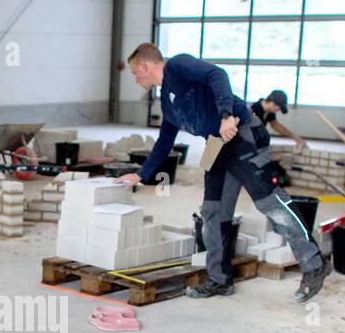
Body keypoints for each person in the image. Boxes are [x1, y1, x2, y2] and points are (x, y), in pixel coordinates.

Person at [120, 44, 330, 303]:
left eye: (134, 72)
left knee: (270, 204)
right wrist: (141, 175)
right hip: (216, 144)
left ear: (144, 66)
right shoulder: (167, 99)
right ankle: (219, 279)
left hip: (241, 134)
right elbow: (165, 140)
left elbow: (217, 75)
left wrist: (226, 115)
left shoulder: (178, 65)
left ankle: (314, 264)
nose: (134, 78)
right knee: (212, 212)